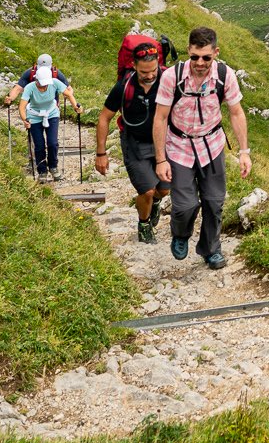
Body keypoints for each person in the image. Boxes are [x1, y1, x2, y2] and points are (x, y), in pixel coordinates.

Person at [152, 26, 250, 269]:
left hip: (212, 145)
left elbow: (236, 112)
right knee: (186, 205)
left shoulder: (225, 75)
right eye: (195, 56)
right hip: (179, 146)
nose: (200, 62)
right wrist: (160, 159)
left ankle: (211, 249)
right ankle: (181, 233)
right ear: (188, 51)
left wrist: (244, 152)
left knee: (214, 201)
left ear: (215, 52)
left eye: (206, 57)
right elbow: (160, 118)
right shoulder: (171, 77)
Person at [97, 39, 172, 241]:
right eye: (144, 72)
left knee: (163, 190)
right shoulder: (124, 86)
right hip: (134, 144)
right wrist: (101, 153)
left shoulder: (168, 80)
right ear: (134, 66)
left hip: (163, 144)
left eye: (153, 71)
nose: (149, 76)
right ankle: (144, 224)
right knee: (147, 191)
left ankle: (155, 203)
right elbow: (104, 117)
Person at [18, 53, 79, 183]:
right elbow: (22, 107)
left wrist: (76, 107)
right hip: (34, 116)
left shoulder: (54, 82)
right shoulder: (30, 88)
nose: (45, 86)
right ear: (36, 80)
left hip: (51, 113)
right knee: (39, 145)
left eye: (46, 84)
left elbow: (68, 94)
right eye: (42, 84)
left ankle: (53, 167)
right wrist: (25, 120)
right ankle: (42, 171)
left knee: (52, 142)